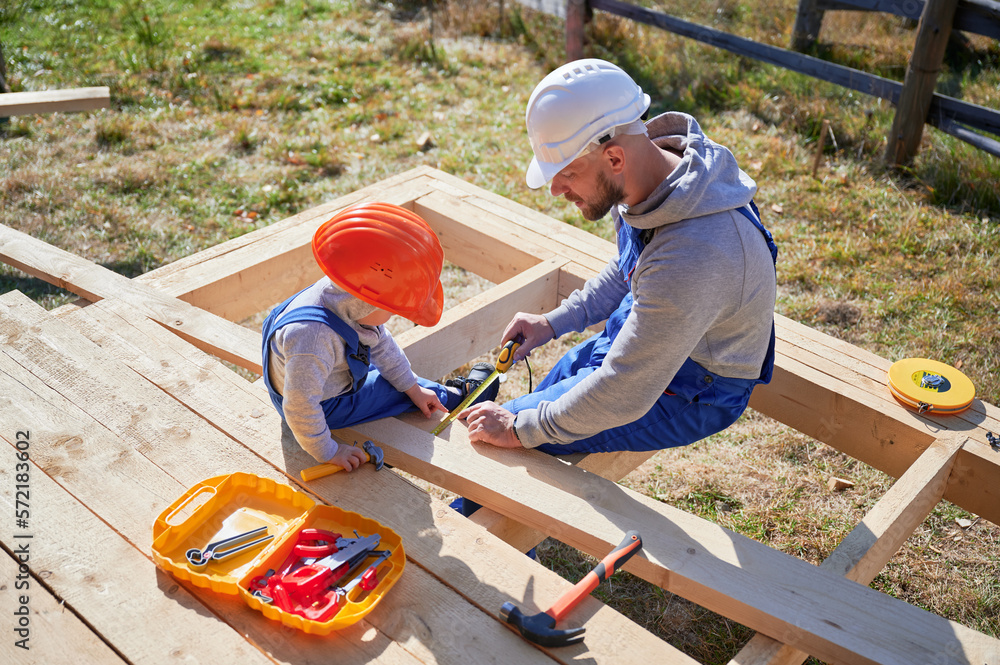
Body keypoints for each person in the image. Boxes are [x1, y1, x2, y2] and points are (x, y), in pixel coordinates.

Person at [460, 58, 778, 457]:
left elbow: (625, 386)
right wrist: (554, 322)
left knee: (511, 446)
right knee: (544, 399)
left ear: (613, 158)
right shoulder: (644, 182)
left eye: (567, 174)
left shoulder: (694, 255)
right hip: (651, 335)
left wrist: (522, 430)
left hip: (696, 386)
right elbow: (633, 267)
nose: (556, 190)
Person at [262, 202, 497, 469]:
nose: (393, 318)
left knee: (395, 375)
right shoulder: (314, 340)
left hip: (309, 380)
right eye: (392, 310)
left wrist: (413, 387)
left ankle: (423, 391)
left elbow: (382, 345)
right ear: (368, 301)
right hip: (322, 405)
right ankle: (457, 398)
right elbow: (300, 407)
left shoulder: (343, 298)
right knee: (388, 390)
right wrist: (328, 451)